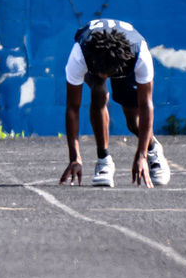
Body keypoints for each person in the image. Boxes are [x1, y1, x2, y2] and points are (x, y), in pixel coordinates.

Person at [60, 18, 170, 188]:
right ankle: (104, 161)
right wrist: (75, 158)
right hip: (96, 56)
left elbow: (146, 105)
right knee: (99, 92)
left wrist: (141, 155)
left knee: (134, 123)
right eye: (102, 72)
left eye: (108, 73)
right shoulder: (80, 53)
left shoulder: (139, 54)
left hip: (123, 59)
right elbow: (72, 108)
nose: (106, 77)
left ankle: (153, 148)